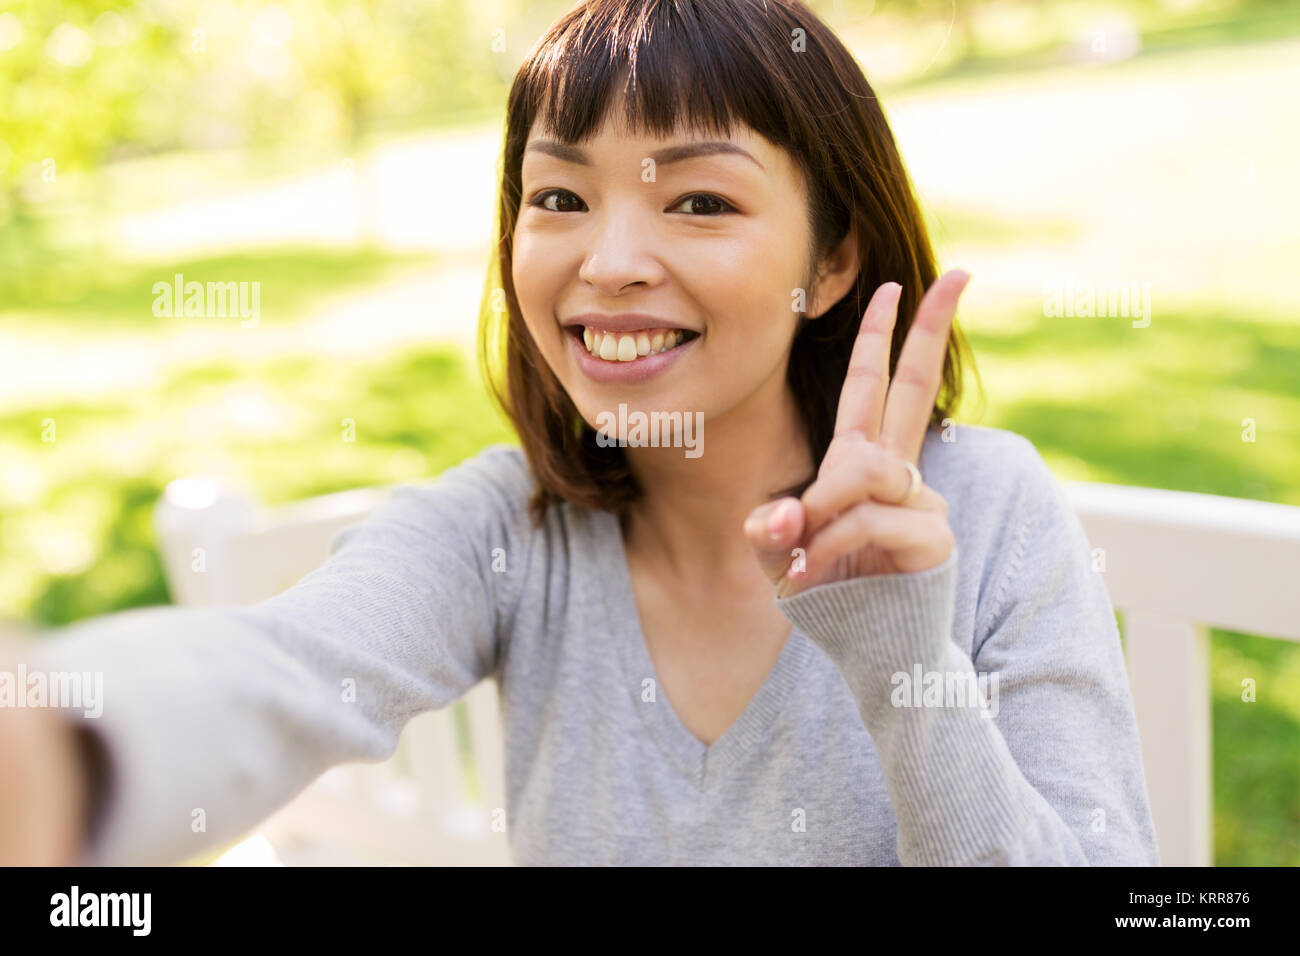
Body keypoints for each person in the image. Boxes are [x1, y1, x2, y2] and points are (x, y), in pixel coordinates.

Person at [3, 0, 1158, 866]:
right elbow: (285, 669)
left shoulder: (993, 509)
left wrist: (906, 657)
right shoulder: (508, 530)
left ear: (835, 257)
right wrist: (51, 747)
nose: (606, 264)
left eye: (699, 199)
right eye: (558, 197)